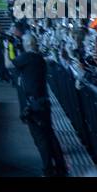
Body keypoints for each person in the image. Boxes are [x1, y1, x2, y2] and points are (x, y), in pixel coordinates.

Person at [14, 33, 68, 176]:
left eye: (23, 41)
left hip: (34, 106)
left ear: (27, 44)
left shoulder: (27, 58)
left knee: (41, 139)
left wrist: (9, 47)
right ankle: (61, 167)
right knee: (49, 135)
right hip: (42, 102)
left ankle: (48, 170)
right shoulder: (38, 59)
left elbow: (9, 63)